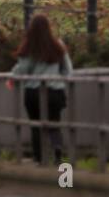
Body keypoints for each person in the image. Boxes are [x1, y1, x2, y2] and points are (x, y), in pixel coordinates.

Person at [10, 14, 71, 165]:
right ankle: (59, 157)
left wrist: (12, 77)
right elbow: (68, 70)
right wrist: (57, 78)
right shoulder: (58, 45)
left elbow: (22, 69)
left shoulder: (30, 47)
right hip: (54, 92)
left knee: (36, 126)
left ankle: (39, 159)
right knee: (54, 125)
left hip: (33, 92)